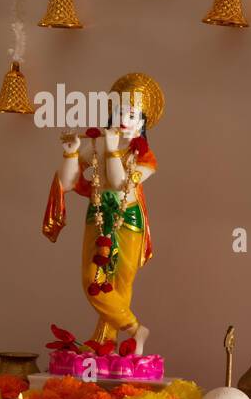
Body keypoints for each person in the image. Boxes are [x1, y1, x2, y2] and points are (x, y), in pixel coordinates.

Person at [43, 72, 162, 354]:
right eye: (121, 110)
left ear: (143, 121)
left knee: (120, 283)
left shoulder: (144, 156)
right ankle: (135, 329)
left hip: (128, 219)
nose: (125, 118)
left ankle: (104, 341)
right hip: (96, 215)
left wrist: (110, 149)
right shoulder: (95, 144)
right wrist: (71, 153)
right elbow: (69, 182)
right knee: (91, 279)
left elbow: (121, 182)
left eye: (133, 114)